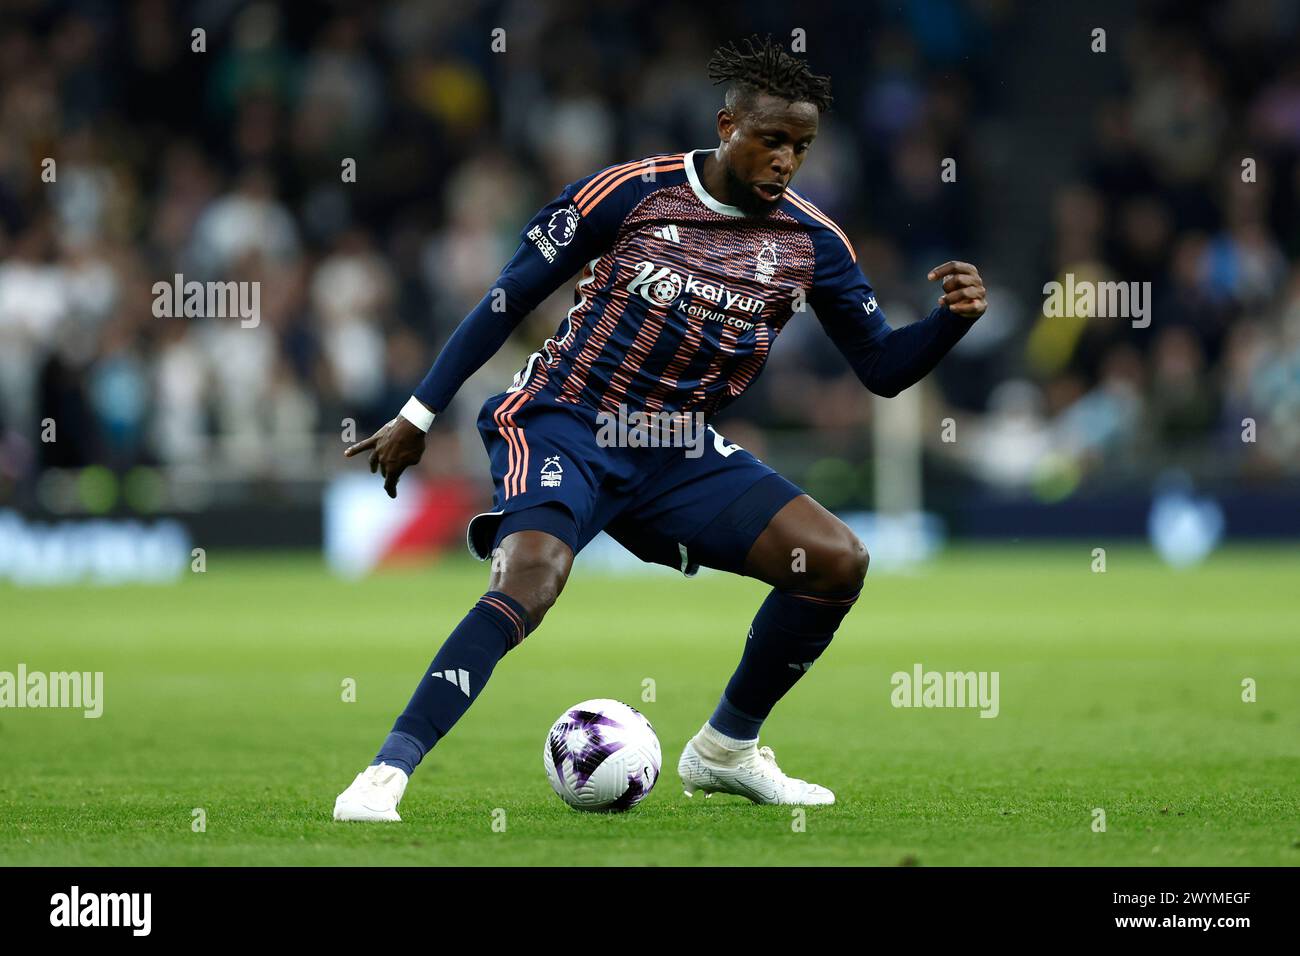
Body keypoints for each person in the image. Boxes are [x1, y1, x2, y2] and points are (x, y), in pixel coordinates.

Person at [334, 35, 986, 820]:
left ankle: (725, 750)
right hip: (566, 420)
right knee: (532, 577)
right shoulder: (633, 192)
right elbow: (507, 297)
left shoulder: (812, 244)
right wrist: (417, 412)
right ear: (727, 126)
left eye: (802, 148)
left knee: (836, 561)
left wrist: (946, 326)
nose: (786, 161)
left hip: (672, 447)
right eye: (771, 140)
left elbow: (881, 368)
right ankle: (386, 773)